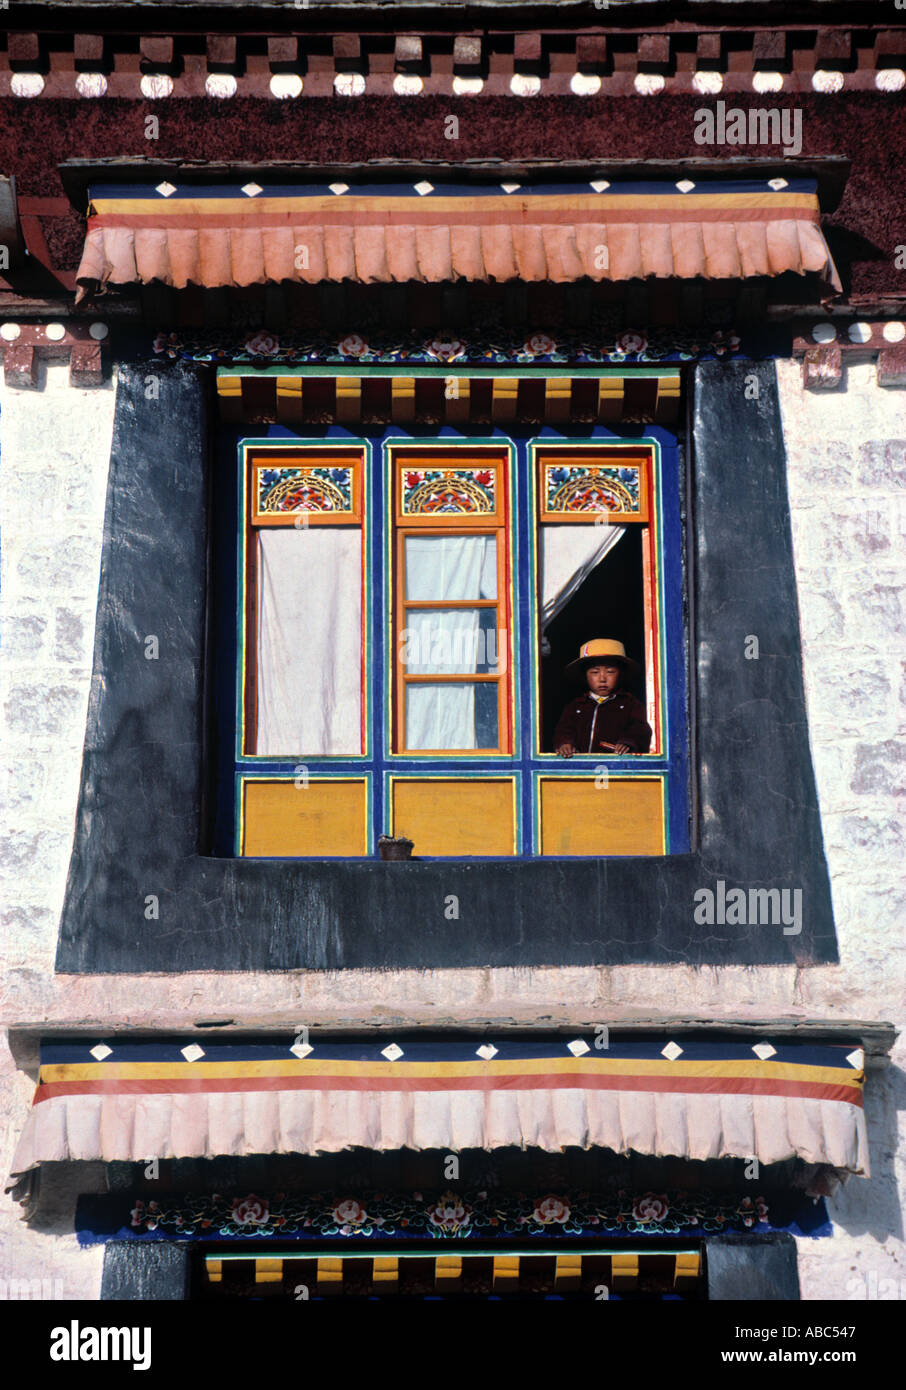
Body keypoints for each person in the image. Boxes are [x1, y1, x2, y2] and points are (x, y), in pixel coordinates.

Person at [553, 639, 652, 756]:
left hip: (617, 769)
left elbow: (640, 729)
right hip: (582, 770)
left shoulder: (630, 704)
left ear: (621, 674)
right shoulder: (576, 706)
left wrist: (628, 743)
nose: (602, 679)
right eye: (595, 672)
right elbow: (563, 731)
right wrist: (565, 744)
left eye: (610, 672)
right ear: (585, 675)